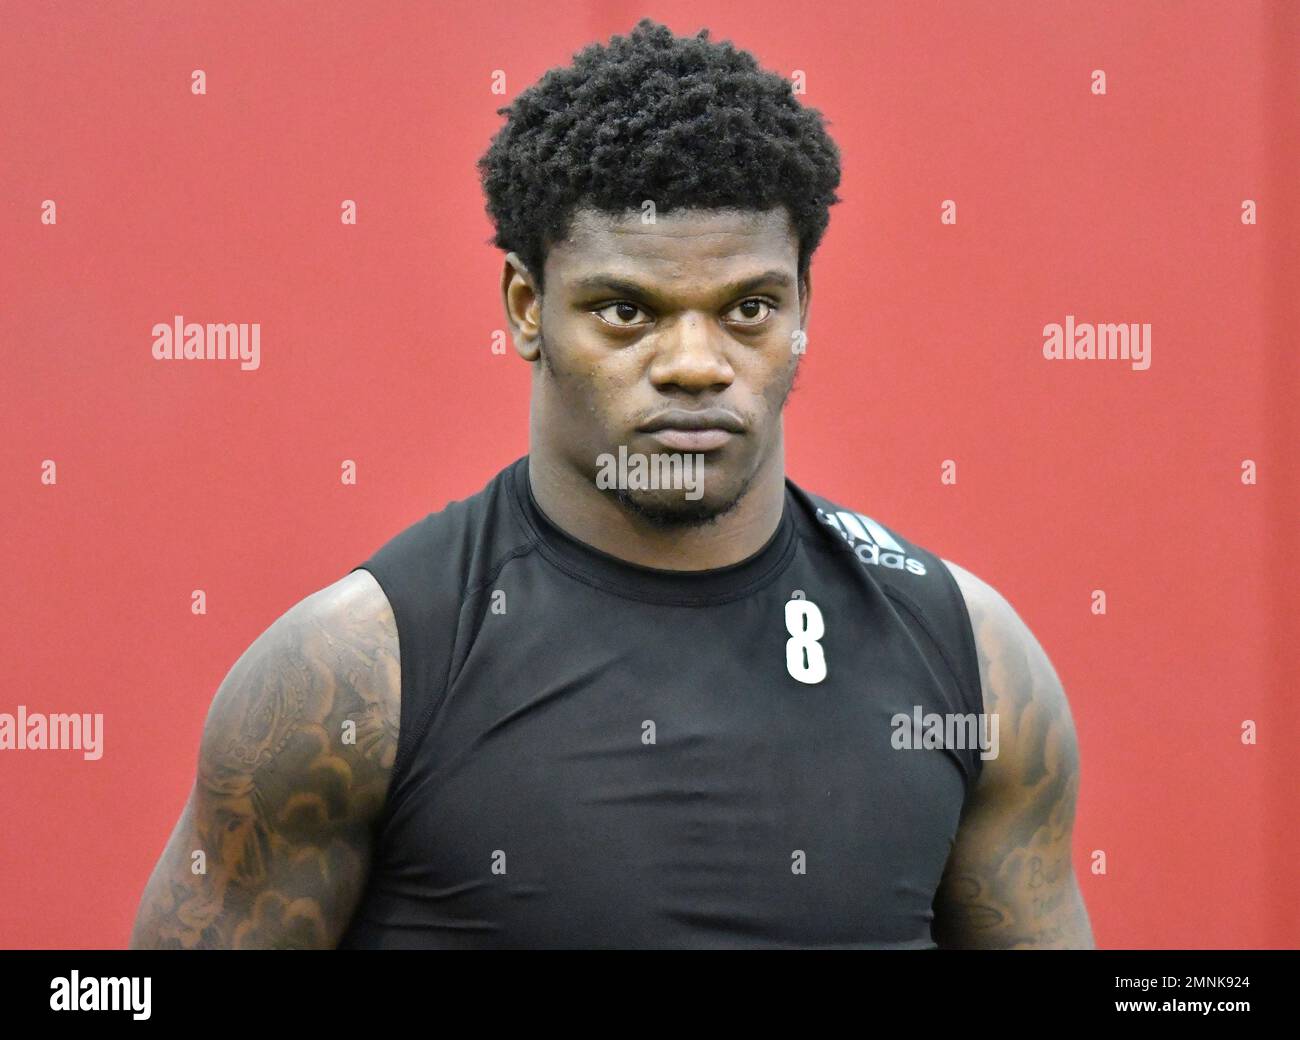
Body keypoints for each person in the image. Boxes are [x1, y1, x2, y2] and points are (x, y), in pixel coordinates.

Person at [130, 18, 1093, 949]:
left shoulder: (973, 663)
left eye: (749, 308)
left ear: (803, 308)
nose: (693, 363)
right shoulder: (356, 673)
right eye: (627, 311)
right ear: (526, 308)